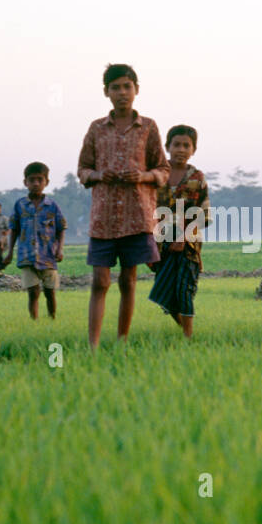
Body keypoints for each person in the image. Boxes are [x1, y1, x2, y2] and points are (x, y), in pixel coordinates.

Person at [77, 63, 169, 349]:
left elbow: (163, 170)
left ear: (136, 90)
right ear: (106, 92)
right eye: (115, 87)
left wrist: (143, 176)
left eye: (127, 86)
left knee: (129, 280)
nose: (122, 92)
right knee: (100, 281)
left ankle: (121, 342)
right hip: (103, 218)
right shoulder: (96, 129)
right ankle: (92, 346)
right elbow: (82, 169)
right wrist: (97, 175)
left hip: (137, 215)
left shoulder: (149, 128)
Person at [148, 124, 210, 338]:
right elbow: (148, 208)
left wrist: (182, 238)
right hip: (161, 243)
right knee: (164, 291)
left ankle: (188, 337)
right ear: (167, 146)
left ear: (193, 150)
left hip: (188, 244)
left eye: (186, 145)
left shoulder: (197, 178)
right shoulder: (156, 175)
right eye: (177, 145)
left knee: (184, 289)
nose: (181, 149)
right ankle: (184, 329)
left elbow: (202, 214)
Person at [7, 162, 67, 320]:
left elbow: (61, 229)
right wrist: (9, 253)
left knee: (50, 292)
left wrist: (60, 250)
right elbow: (14, 229)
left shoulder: (52, 206)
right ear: (25, 182)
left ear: (46, 182)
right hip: (27, 256)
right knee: (33, 292)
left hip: (48, 256)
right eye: (32, 180)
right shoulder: (20, 205)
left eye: (40, 180)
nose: (36, 183)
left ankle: (51, 318)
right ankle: (35, 321)